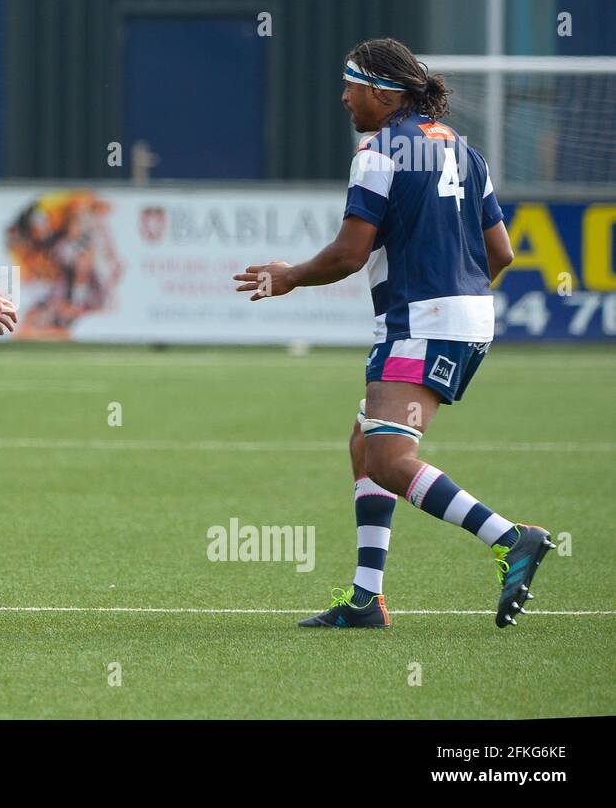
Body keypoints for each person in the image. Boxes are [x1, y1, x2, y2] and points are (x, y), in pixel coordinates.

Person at [233, 37, 554, 629]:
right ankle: (366, 598)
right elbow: (501, 252)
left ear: (383, 92)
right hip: (469, 316)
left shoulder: (380, 152)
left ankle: (512, 538)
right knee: (364, 442)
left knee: (387, 457)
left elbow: (351, 254)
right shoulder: (463, 149)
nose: (344, 96)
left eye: (352, 84)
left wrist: (290, 276)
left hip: (421, 322)